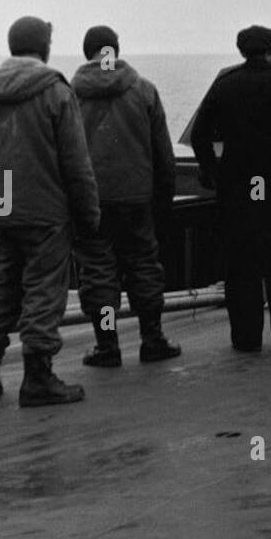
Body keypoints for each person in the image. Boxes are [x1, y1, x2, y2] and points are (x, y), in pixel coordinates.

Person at [0, 17, 100, 407]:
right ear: (44, 47)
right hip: (45, 212)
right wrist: (88, 215)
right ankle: (37, 378)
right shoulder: (56, 91)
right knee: (43, 291)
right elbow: (76, 164)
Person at [191, 25, 271, 355]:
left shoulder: (224, 86)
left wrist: (214, 173)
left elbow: (199, 135)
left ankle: (245, 337)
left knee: (241, 260)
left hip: (237, 181)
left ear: (242, 51)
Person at [71, 26, 181, 367]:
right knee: (144, 268)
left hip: (91, 203)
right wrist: (163, 199)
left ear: (86, 51)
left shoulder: (70, 95)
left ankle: (107, 344)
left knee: (99, 276)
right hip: (136, 200)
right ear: (115, 50)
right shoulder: (144, 91)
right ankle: (152, 338)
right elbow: (164, 154)